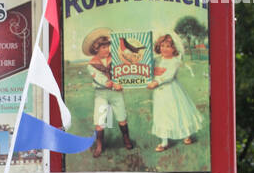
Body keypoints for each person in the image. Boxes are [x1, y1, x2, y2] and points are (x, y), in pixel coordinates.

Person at [81, 27, 135, 158]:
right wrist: (109, 83)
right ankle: (99, 144)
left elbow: (123, 69)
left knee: (121, 117)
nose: (107, 50)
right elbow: (98, 77)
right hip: (102, 93)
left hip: (116, 93)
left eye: (108, 46)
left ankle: (126, 138)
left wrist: (121, 82)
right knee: (100, 121)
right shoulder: (91, 64)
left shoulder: (116, 59)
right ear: (96, 49)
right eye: (103, 48)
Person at [146, 32, 202, 153]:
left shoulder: (174, 61)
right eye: (162, 46)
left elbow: (169, 76)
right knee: (162, 114)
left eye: (168, 46)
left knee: (177, 112)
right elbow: (147, 68)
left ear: (174, 49)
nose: (164, 49)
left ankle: (186, 134)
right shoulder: (156, 60)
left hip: (171, 91)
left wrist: (156, 82)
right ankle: (164, 141)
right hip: (159, 93)